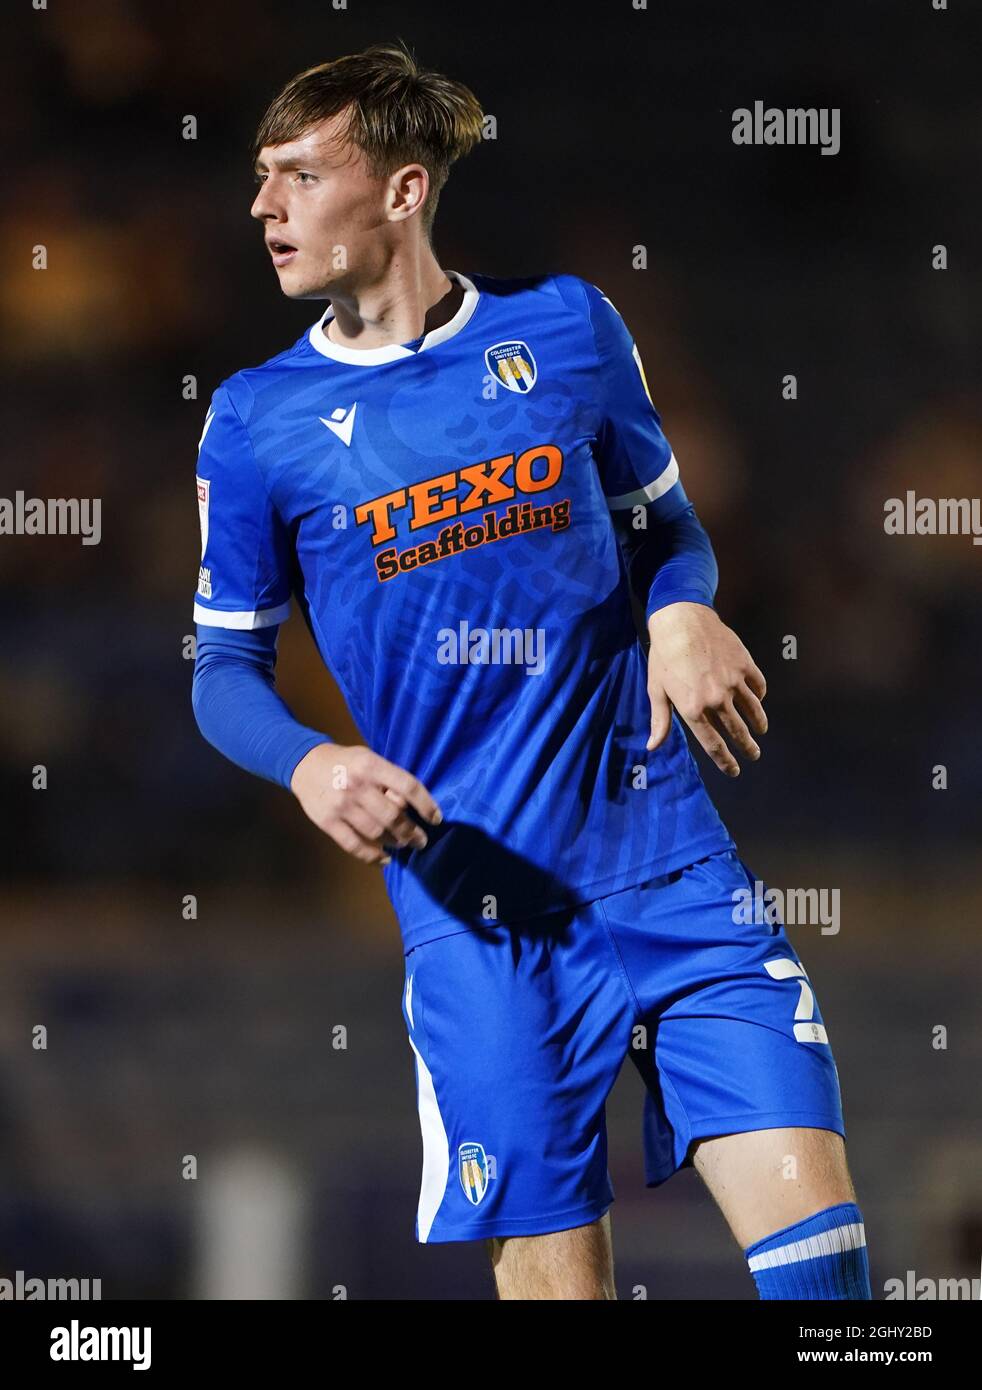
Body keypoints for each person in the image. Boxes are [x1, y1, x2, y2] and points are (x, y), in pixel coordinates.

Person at [191, 39, 870, 1300]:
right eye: (257, 176)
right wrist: (312, 761)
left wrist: (682, 612)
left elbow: (668, 532)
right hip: (480, 913)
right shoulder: (253, 419)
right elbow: (220, 669)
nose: (262, 207)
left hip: (671, 869)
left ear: (400, 191)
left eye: (294, 174)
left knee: (828, 1285)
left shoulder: (566, 328)